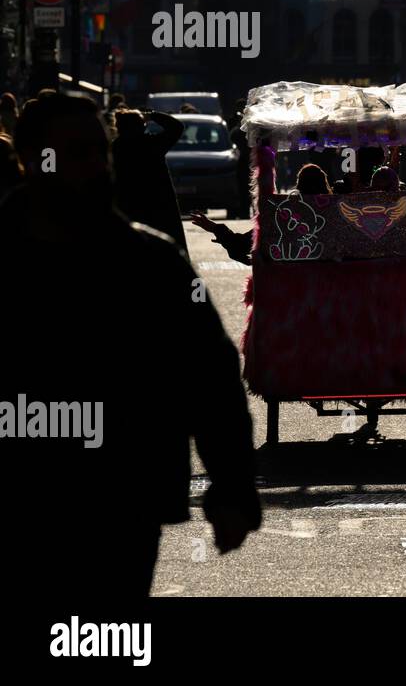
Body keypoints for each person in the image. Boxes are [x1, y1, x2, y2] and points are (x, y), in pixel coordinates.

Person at [0, 93, 261, 596]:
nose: (97, 165)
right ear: (31, 161)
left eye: (101, 151)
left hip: (120, 500)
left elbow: (211, 378)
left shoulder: (150, 263)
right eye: (77, 153)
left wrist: (232, 488)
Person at [192, 163, 330, 265]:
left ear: (298, 188)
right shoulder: (336, 215)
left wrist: (215, 228)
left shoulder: (283, 217)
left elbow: (240, 245)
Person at [110, 107, 189, 257]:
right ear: (141, 126)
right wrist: (152, 115)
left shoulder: (114, 148)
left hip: (127, 207)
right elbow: (176, 127)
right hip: (158, 205)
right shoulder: (152, 144)